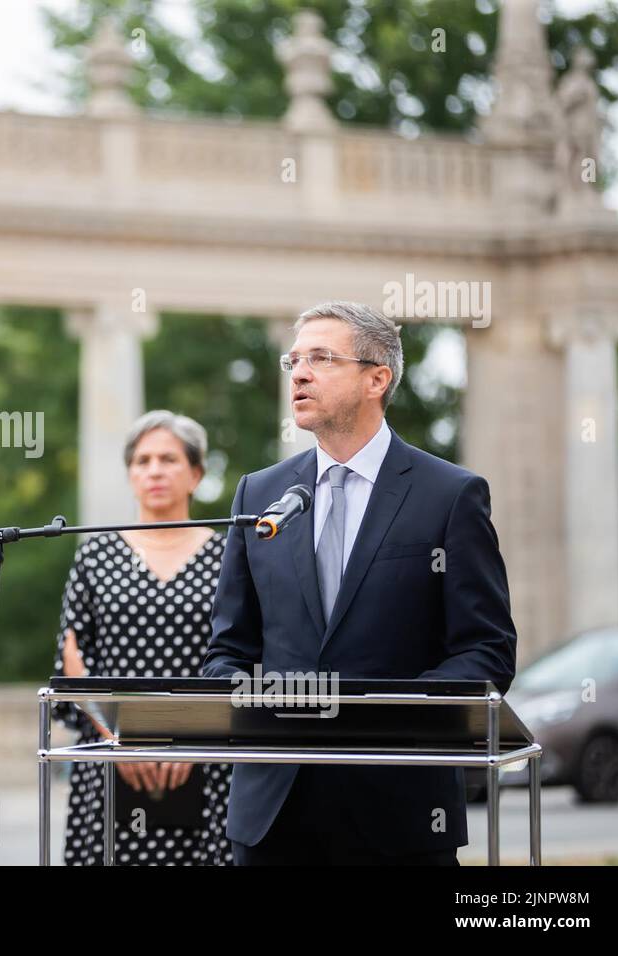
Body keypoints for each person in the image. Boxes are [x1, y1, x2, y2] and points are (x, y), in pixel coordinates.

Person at [202, 301, 517, 865]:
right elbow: (228, 650)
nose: (298, 372)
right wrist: (255, 701)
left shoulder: (449, 495)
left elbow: (486, 652)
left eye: (320, 357)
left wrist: (387, 712)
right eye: (293, 359)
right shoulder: (259, 496)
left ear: (378, 378)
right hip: (273, 812)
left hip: (399, 810)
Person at [53, 410, 232, 865]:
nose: (154, 470)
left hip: (208, 760)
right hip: (113, 758)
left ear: (195, 474)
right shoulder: (96, 553)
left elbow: (247, 657)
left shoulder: (231, 554)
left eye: (169, 459)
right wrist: (118, 738)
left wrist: (195, 741)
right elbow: (73, 659)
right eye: (142, 460)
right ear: (130, 474)